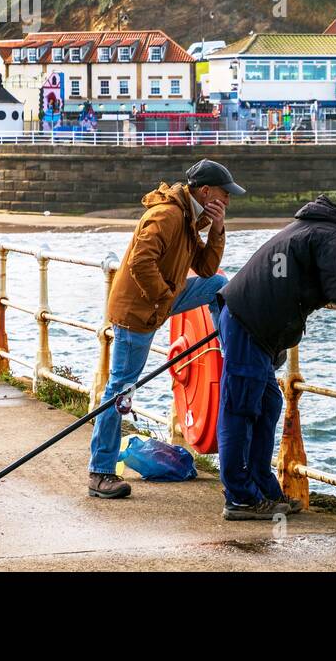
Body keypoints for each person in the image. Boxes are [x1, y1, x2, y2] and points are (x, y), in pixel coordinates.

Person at [215, 196, 336, 521]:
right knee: (239, 409)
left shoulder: (324, 232)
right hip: (248, 323)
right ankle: (240, 498)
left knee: (268, 403)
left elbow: (329, 278)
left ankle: (261, 486)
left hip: (250, 322)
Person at [87, 160, 245, 500]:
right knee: (121, 390)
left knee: (219, 286)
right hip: (138, 311)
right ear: (206, 191)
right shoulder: (169, 216)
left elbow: (205, 268)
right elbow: (139, 261)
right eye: (224, 194)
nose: (228, 201)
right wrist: (162, 300)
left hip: (162, 299)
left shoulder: (190, 218)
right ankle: (99, 471)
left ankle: (229, 347)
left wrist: (217, 229)